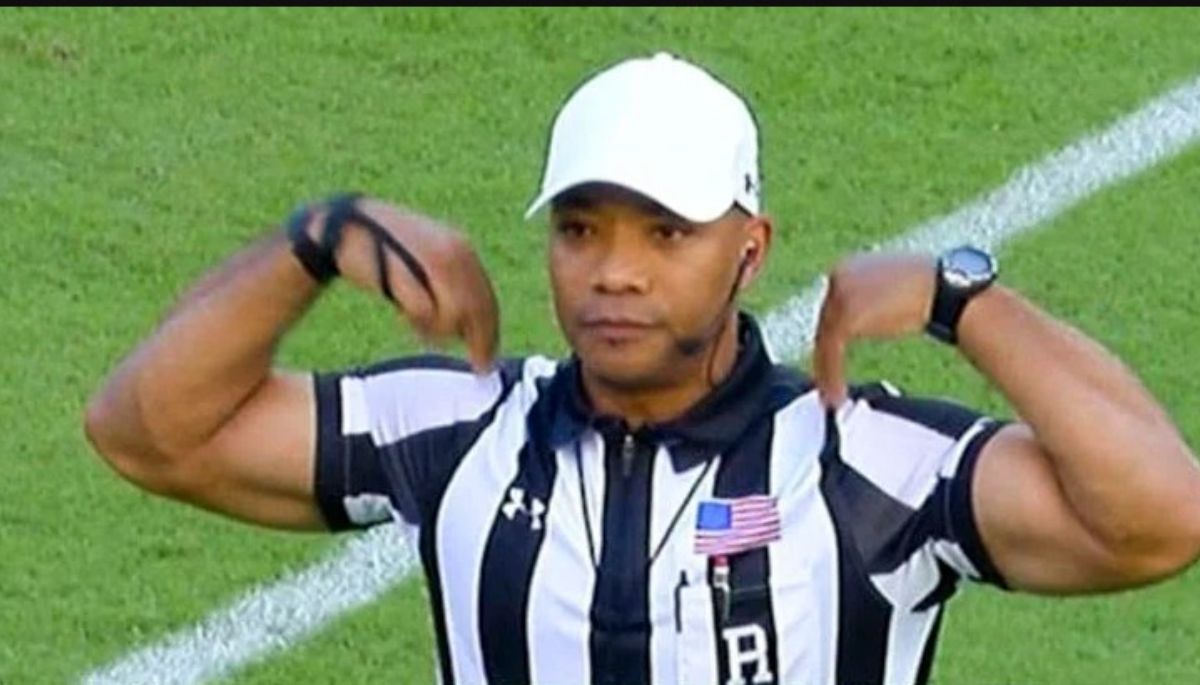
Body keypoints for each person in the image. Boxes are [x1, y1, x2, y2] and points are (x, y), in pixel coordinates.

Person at [83, 52, 1200, 685]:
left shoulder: (860, 461)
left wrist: (967, 302)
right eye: (582, 230)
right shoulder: (461, 428)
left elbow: (1158, 518)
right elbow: (149, 429)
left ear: (749, 251)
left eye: (666, 234)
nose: (615, 272)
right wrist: (316, 240)